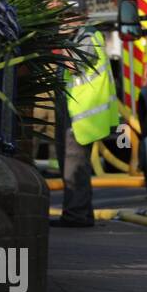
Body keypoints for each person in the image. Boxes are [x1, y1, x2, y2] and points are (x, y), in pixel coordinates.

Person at [54, 24, 121, 228]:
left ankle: (76, 216)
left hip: (82, 117)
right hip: (78, 114)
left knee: (74, 167)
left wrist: (58, 44)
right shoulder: (81, 37)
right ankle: (80, 214)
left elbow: (75, 65)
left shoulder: (88, 37)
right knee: (74, 166)